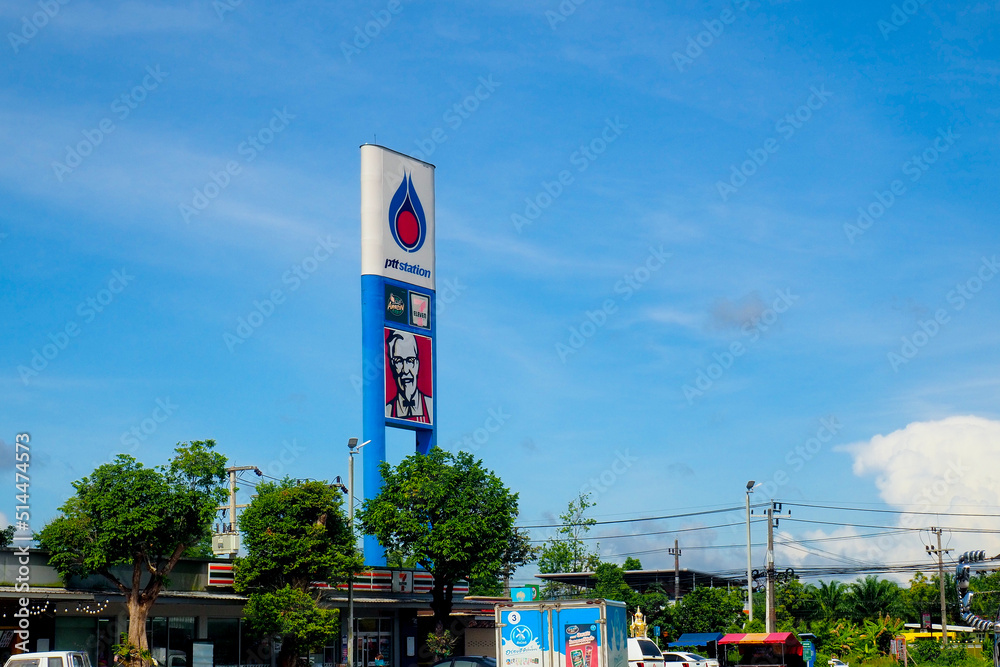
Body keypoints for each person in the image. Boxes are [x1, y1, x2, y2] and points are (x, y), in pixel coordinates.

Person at [385, 330, 432, 423]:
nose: (405, 370)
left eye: (410, 360)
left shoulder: (429, 405)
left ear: (417, 364)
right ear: (392, 365)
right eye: (398, 361)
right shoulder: (387, 410)